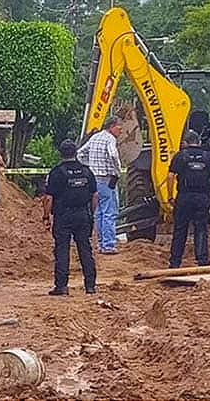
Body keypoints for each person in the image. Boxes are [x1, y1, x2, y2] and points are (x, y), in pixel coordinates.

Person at [43, 140, 98, 296]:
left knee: (62, 249)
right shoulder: (87, 171)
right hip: (83, 215)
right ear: (76, 153)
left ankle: (61, 286)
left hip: (63, 216)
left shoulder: (57, 172)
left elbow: (48, 198)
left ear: (60, 154)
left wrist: (46, 216)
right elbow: (95, 196)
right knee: (85, 249)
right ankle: (90, 285)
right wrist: (91, 214)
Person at [167, 130, 210, 268]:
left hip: (184, 197)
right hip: (202, 197)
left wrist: (169, 196)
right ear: (199, 142)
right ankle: (202, 261)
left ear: (185, 143)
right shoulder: (209, 157)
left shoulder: (180, 156)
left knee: (180, 229)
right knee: (201, 229)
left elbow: (170, 176)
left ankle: (175, 262)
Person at [77, 116, 123, 255]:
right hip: (107, 180)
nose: (121, 130)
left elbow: (80, 153)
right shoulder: (110, 139)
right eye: (119, 127)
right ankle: (108, 245)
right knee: (110, 211)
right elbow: (114, 155)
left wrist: (88, 166)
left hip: (94, 179)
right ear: (111, 126)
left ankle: (101, 242)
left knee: (99, 212)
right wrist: (117, 170)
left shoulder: (95, 137)